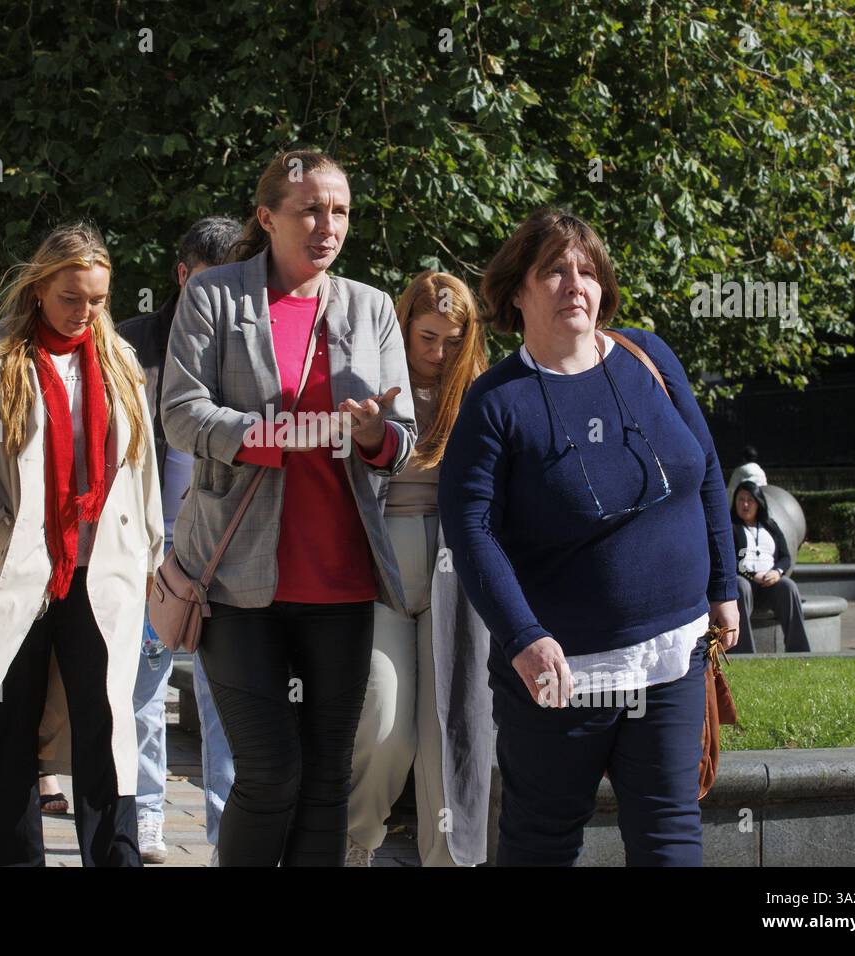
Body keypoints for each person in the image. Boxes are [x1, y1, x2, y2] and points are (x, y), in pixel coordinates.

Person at [439, 207, 740, 867]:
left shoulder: (648, 355)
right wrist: (522, 637)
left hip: (673, 657)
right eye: (554, 271)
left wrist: (723, 585)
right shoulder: (494, 404)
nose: (575, 283)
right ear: (517, 292)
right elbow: (470, 528)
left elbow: (706, 469)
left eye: (587, 271)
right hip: (560, 678)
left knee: (670, 840)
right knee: (542, 845)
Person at [161, 148, 416, 866]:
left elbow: (403, 441)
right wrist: (268, 434)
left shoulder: (370, 308)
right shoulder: (214, 297)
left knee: (328, 778)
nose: (326, 224)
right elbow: (181, 415)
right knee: (271, 772)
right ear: (268, 217)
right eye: (309, 209)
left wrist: (373, 437)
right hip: (237, 577)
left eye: (338, 210)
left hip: (339, 581)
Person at [0, 221, 164, 868]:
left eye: (98, 299)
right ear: (40, 288)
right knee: (9, 719)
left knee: (106, 724)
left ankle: (117, 857)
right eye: (71, 297)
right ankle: (6, 859)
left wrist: (152, 557)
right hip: (18, 568)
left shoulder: (118, 360)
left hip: (102, 569)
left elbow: (143, 472)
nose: (85, 312)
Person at [346, 270, 494, 867]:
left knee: (449, 737)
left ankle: (450, 859)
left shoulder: (481, 394)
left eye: (453, 341)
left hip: (455, 576)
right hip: (379, 572)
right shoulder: (373, 384)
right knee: (386, 729)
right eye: (427, 337)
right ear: (402, 327)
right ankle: (355, 845)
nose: (438, 353)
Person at [120, 216, 242, 863]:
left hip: (230, 555)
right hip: (151, 552)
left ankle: (228, 834)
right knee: (142, 690)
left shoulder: (254, 353)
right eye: (207, 281)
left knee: (225, 702)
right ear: (182, 275)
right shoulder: (133, 347)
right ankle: (145, 815)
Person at [730, 480, 810, 653]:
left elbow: (785, 556)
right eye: (740, 500)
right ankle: (744, 652)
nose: (745, 504)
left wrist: (777, 572)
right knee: (740, 585)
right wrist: (752, 575)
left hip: (769, 584)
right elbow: (729, 561)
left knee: (788, 586)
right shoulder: (731, 528)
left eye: (749, 500)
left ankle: (799, 650)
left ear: (758, 502)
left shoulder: (771, 526)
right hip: (746, 585)